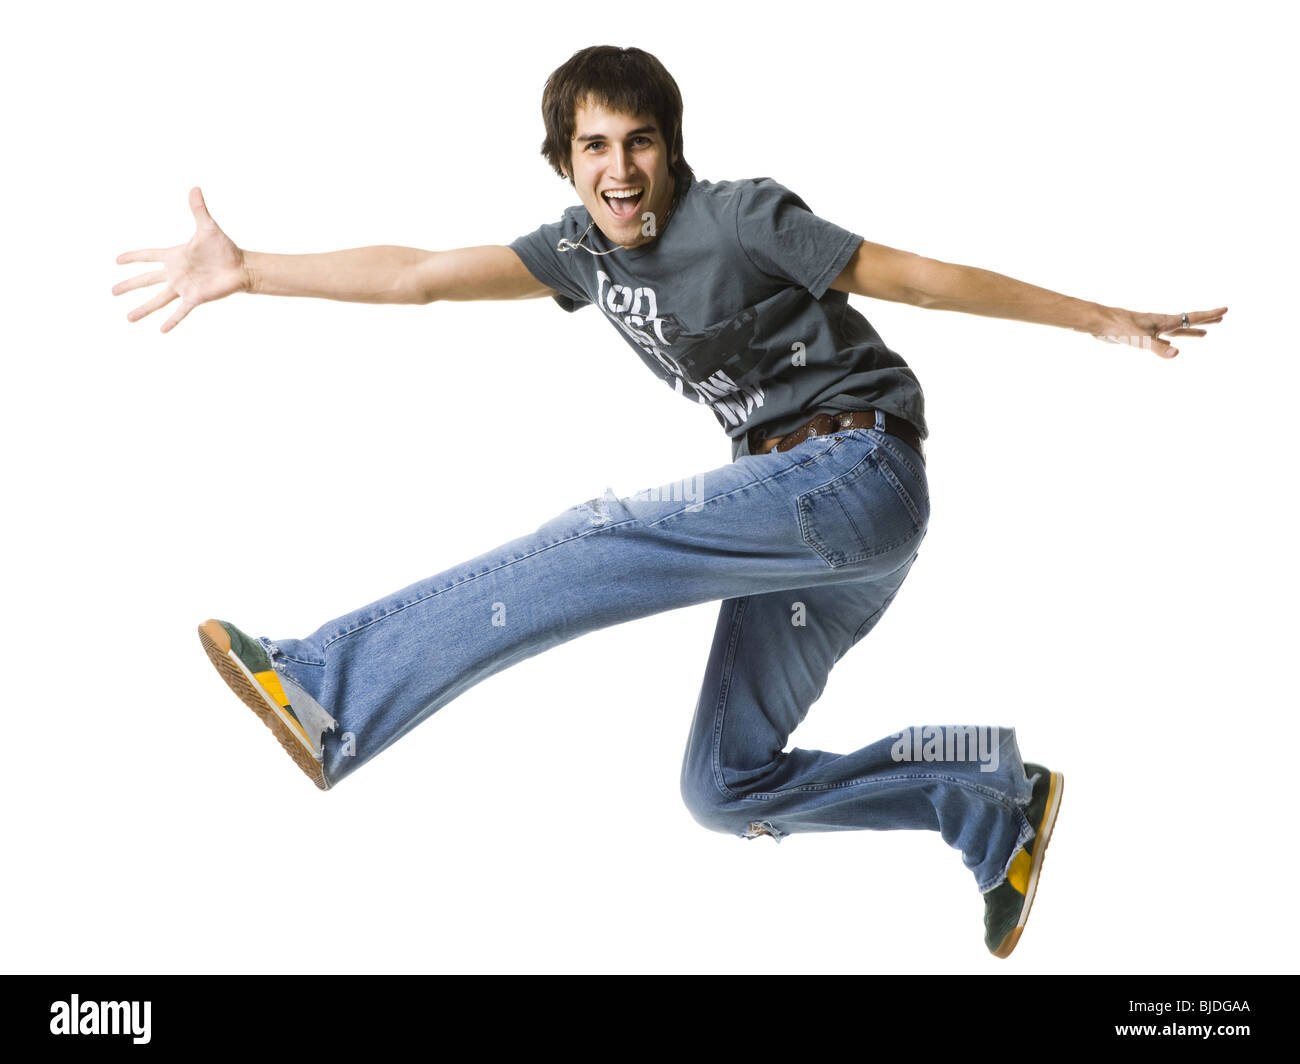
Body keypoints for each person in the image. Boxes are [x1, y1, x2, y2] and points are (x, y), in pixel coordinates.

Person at [113, 45, 1226, 958]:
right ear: (566, 163)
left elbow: (915, 276)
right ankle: (987, 788)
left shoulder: (742, 216)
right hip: (808, 533)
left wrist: (1096, 316)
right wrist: (250, 268)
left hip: (853, 470)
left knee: (597, 532)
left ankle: (329, 685)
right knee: (721, 782)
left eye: (639, 140)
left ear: (670, 149)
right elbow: (419, 275)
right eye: (594, 146)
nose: (621, 166)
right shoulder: (578, 254)